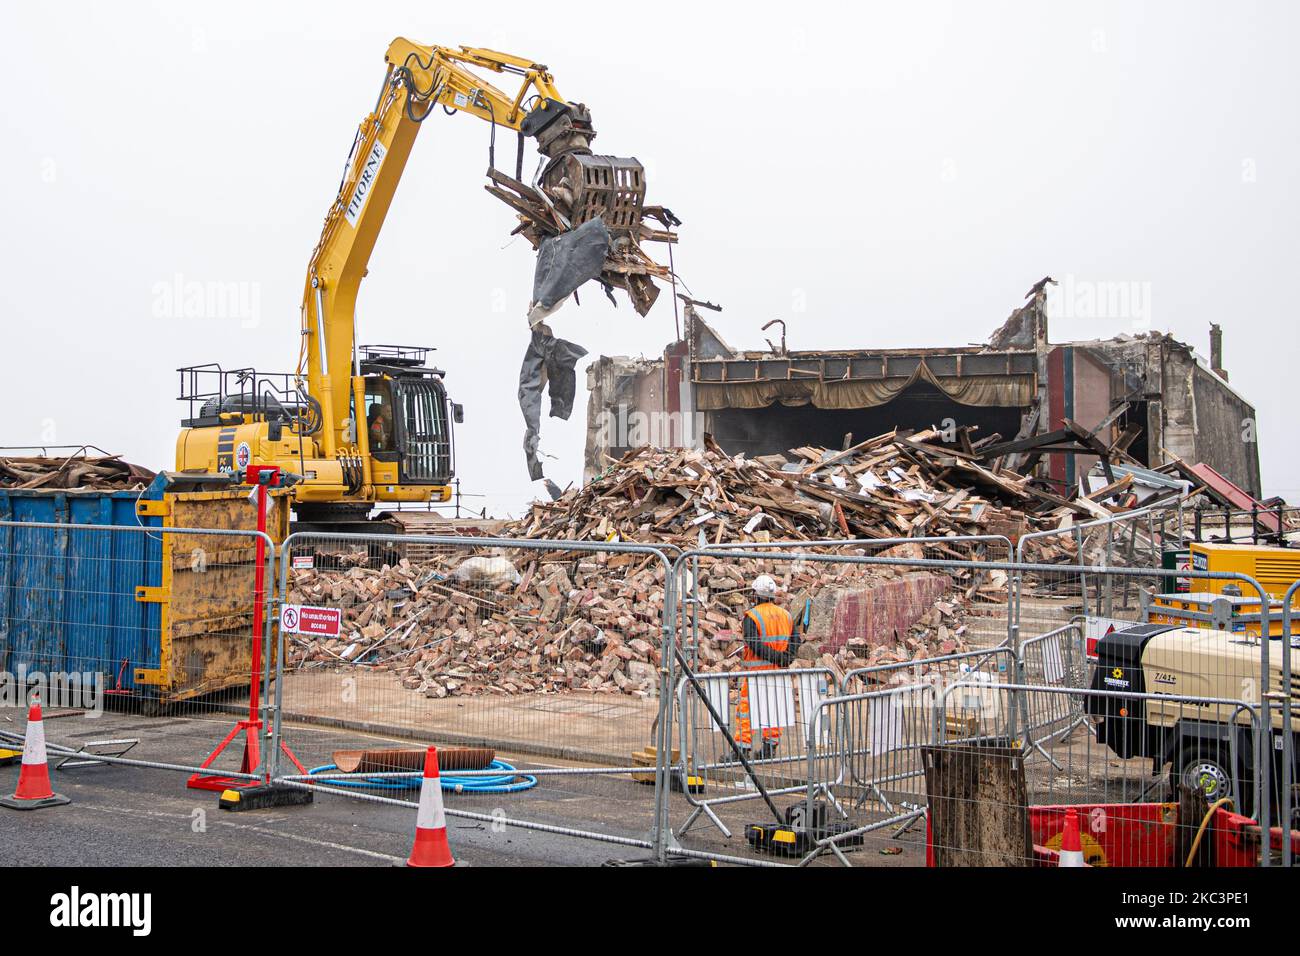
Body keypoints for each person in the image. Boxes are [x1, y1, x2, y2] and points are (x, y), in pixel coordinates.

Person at [736, 574, 804, 759]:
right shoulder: (786, 615)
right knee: (773, 709)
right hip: (778, 672)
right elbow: (795, 640)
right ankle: (769, 748)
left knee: (746, 710)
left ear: (756, 594)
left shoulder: (752, 616)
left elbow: (754, 644)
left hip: (757, 672)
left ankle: (742, 748)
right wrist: (784, 659)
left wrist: (776, 658)